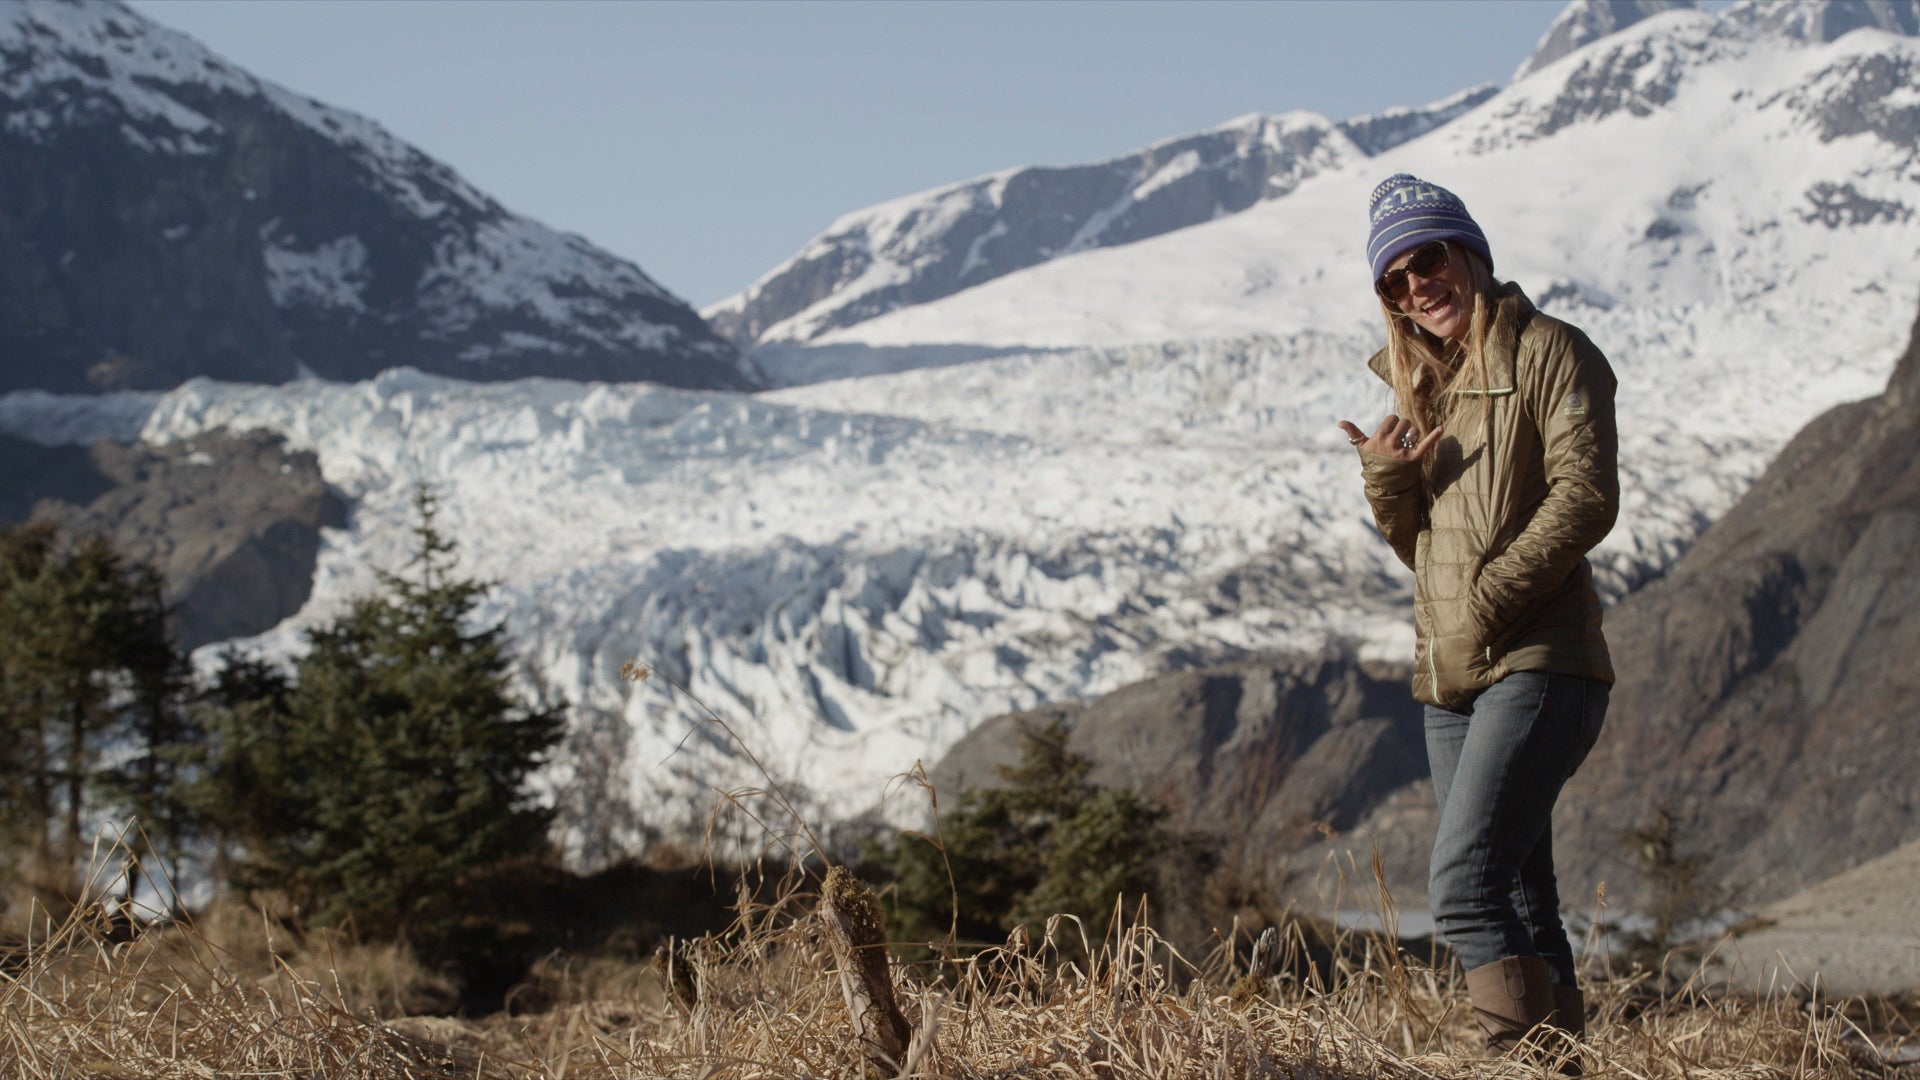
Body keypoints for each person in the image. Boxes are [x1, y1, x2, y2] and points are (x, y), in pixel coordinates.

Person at [1335, 174, 1618, 1068]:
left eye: (1430, 259)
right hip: (1452, 681)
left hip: (1539, 661)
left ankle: (1509, 1063)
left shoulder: (1552, 353)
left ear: (1471, 256)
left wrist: (1488, 602)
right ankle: (1559, 1064)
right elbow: (1426, 555)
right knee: (1524, 894)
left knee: (1461, 887)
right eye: (1395, 278)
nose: (1417, 284)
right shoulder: (1429, 388)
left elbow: (1586, 498)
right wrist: (1389, 477)